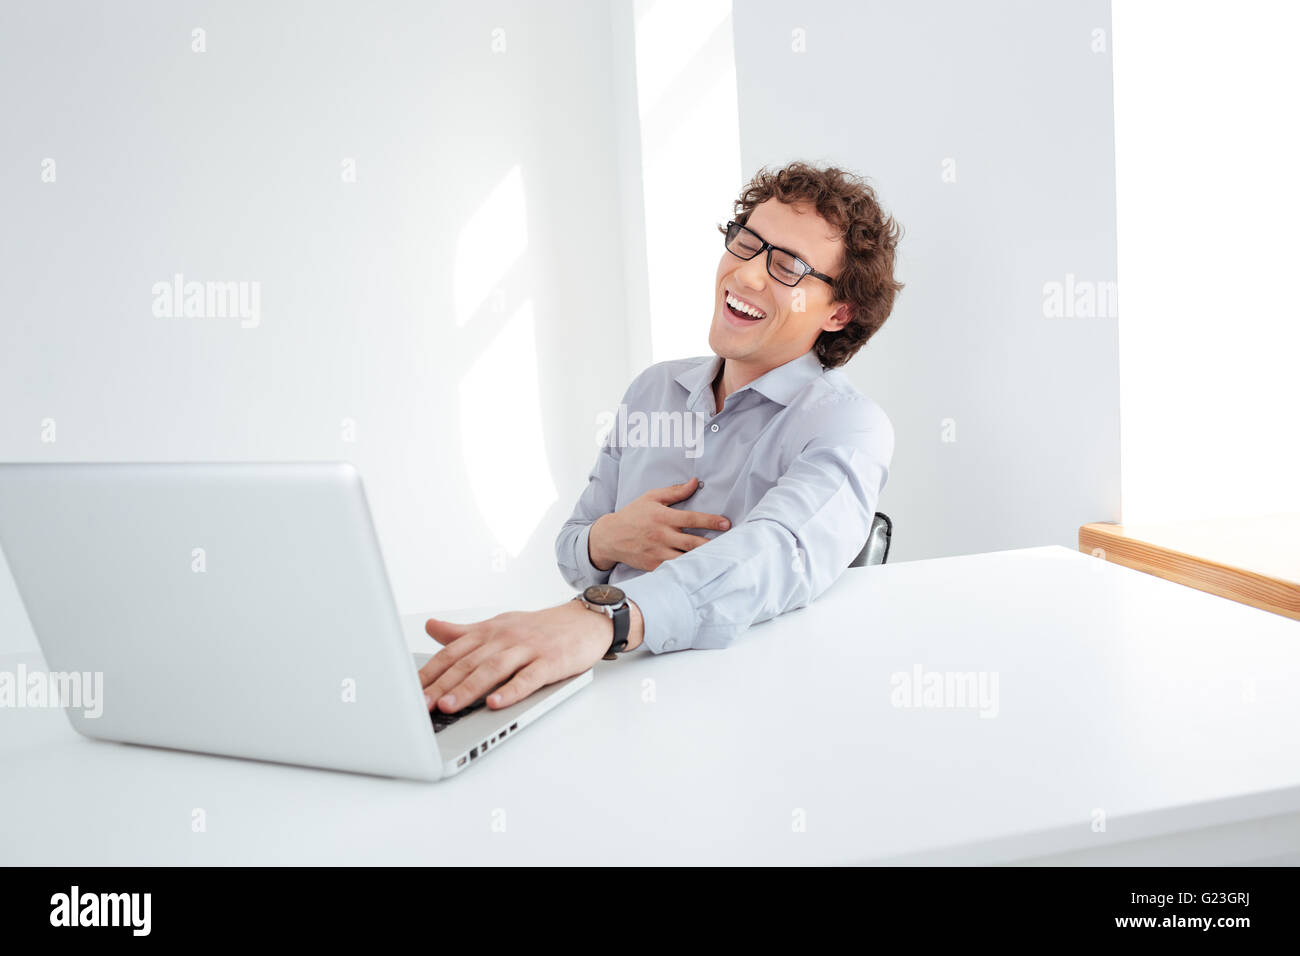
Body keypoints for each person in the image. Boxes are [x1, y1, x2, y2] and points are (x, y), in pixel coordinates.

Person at [420, 161, 902, 716]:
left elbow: (777, 554)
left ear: (840, 312)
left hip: (738, 712)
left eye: (788, 266)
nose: (746, 275)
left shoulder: (848, 426)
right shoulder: (653, 390)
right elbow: (573, 552)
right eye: (747, 243)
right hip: (599, 686)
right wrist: (607, 540)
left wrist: (605, 617)